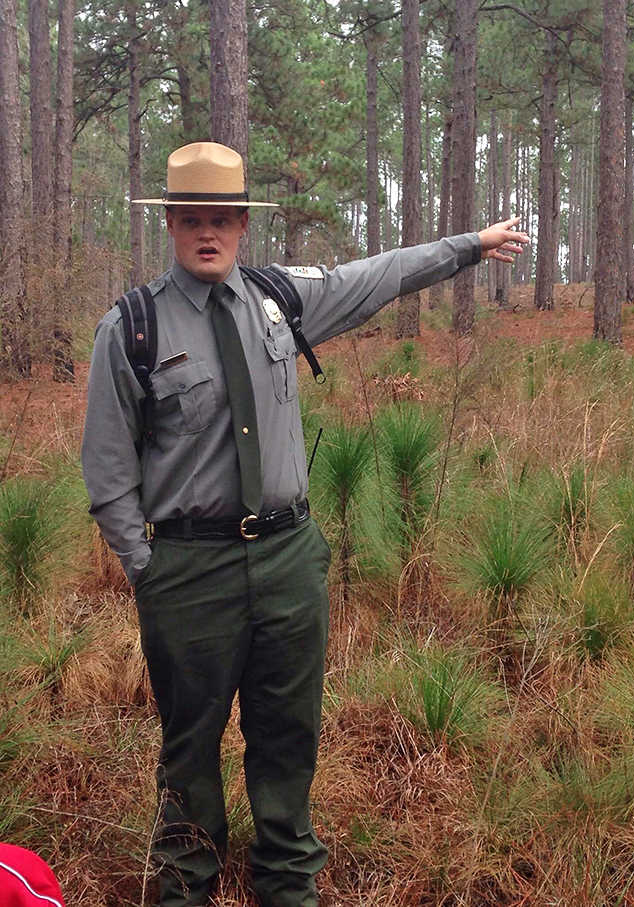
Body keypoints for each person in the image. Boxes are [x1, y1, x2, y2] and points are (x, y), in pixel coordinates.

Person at [81, 141, 528, 907]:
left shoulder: (280, 298)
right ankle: (186, 884)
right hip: (189, 573)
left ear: (243, 224)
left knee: (289, 736)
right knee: (189, 749)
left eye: (222, 218)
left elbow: (377, 275)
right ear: (171, 225)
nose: (208, 232)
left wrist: (470, 245)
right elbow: (107, 467)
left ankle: (288, 883)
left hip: (289, 559)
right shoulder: (133, 327)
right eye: (192, 219)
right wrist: (148, 570)